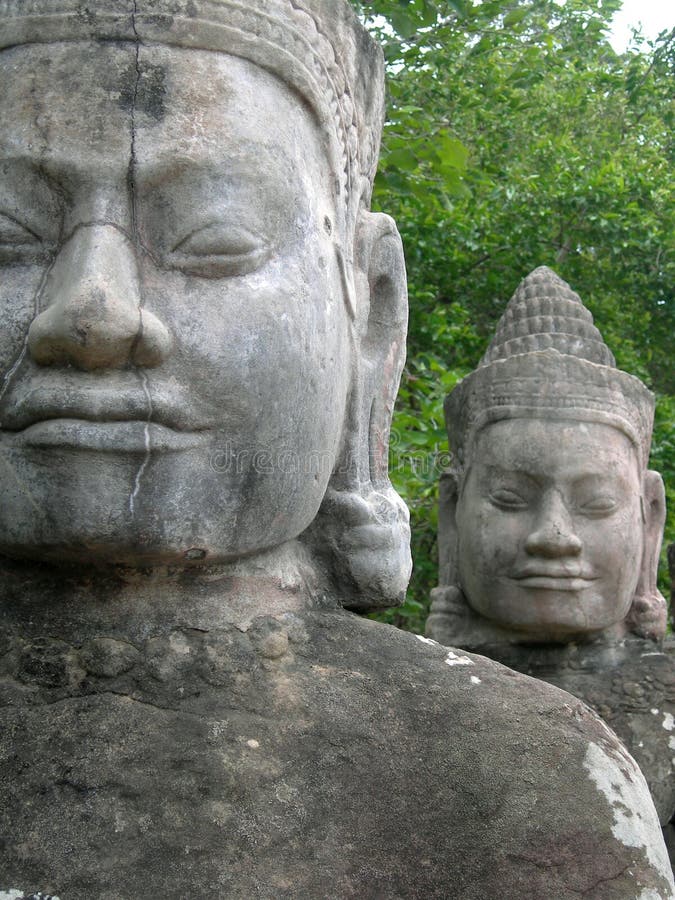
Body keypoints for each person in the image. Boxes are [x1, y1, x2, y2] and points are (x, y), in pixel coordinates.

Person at [0, 3, 672, 897]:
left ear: (371, 318)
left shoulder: (506, 777)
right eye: (8, 235)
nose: (92, 316)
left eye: (215, 239)